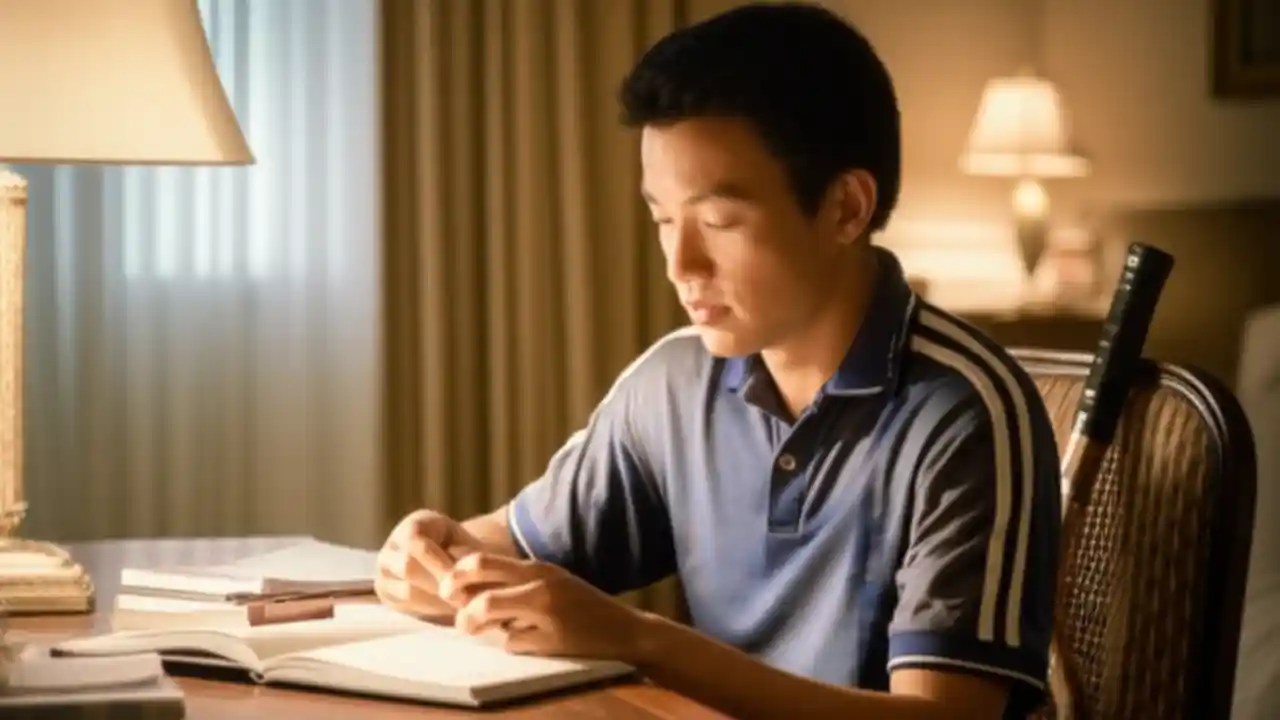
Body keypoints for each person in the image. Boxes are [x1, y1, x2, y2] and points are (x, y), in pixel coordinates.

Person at [375, 3, 1061, 718]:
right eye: (662, 220)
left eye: (718, 222)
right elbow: (507, 545)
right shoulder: (674, 381)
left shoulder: (964, 414)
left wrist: (644, 641)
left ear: (846, 208)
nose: (680, 264)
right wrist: (432, 556)